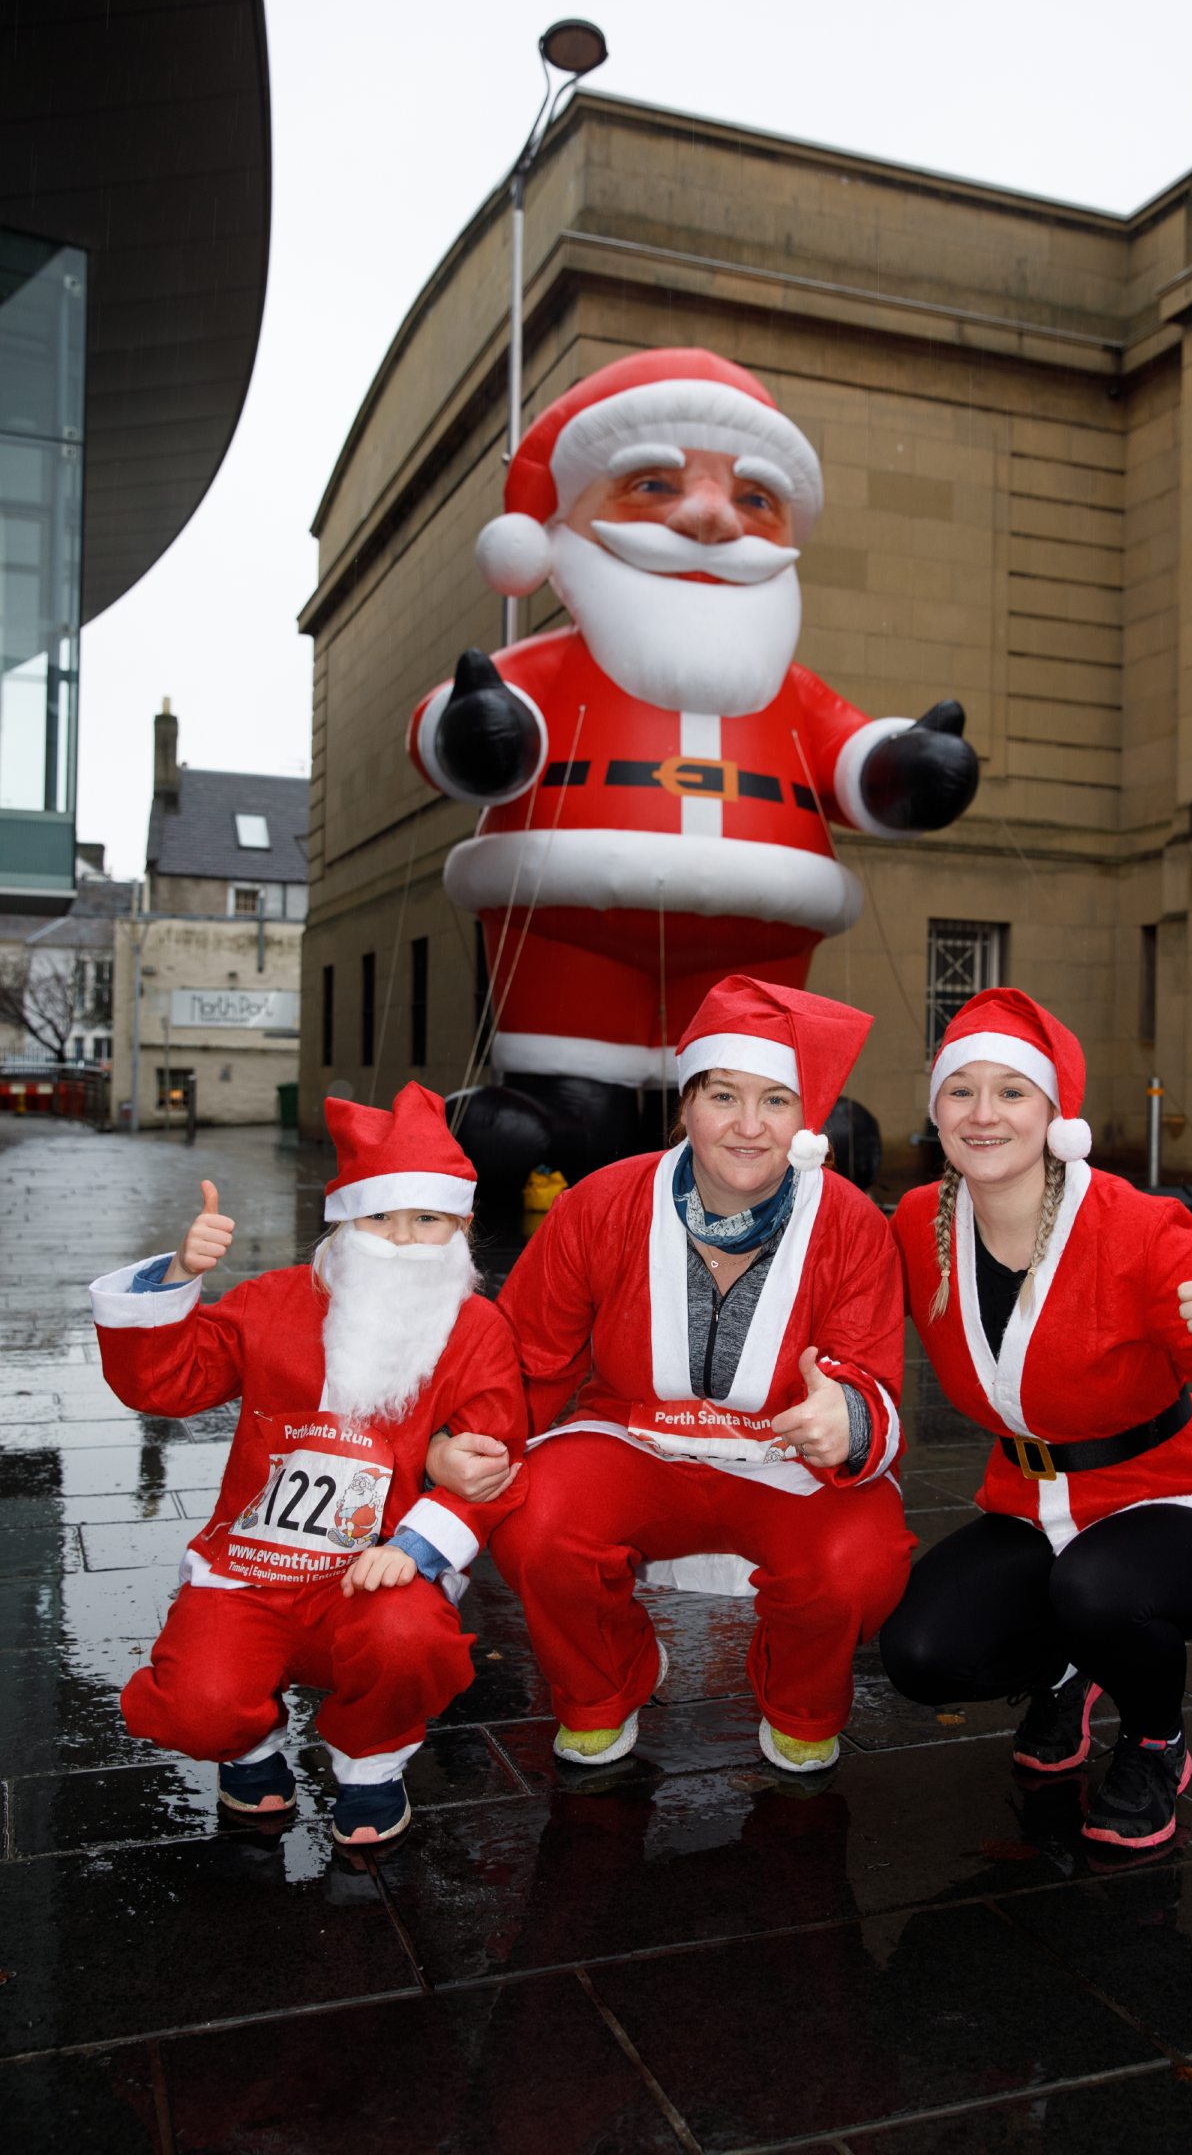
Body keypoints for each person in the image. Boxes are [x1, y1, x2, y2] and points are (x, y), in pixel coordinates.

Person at [406, 346, 978, 1167]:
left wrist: (904, 769)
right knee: (568, 1121)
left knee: (747, 1076)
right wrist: (477, 732)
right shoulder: (559, 665)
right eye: (656, 484)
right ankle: (557, 1120)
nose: (712, 518)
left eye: (753, 497)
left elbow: (851, 755)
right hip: (573, 925)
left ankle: (764, 1126)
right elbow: (456, 726)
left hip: (761, 936)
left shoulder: (791, 690)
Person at [427, 975, 911, 1773]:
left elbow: (870, 1379)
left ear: (806, 1119)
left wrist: (848, 1418)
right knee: (533, 1518)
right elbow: (529, 1358)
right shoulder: (601, 1203)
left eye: (778, 1101)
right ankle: (602, 1682)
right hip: (632, 1441)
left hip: (783, 1461)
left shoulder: (851, 1221)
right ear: (686, 1103)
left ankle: (800, 1697)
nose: (749, 1127)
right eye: (724, 1095)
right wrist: (460, 1447)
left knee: (861, 1562)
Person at [880, 990, 1192, 1848]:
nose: (984, 1113)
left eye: (1012, 1091)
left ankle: (1157, 1740)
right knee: (921, 1653)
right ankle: (1074, 1669)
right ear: (936, 1111)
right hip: (1031, 1501)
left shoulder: (1139, 1227)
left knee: (1098, 1589)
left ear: (1051, 1111)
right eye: (961, 1090)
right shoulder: (916, 1223)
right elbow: (837, 1304)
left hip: (1178, 1497)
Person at [90, 1082, 528, 1846]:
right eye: (379, 1217)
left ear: (461, 1224)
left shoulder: (477, 1327)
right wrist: (174, 1282)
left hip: (376, 1570)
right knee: (197, 1705)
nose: (400, 1238)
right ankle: (249, 1749)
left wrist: (417, 1547)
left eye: (426, 1219)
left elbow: (495, 1456)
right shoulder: (275, 1301)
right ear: (344, 1220)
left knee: (409, 1645)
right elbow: (165, 1383)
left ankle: (370, 1764)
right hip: (251, 1570)